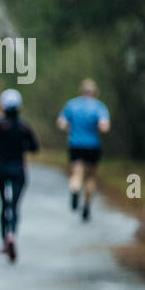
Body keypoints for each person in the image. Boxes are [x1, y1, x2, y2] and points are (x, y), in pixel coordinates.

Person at [0, 89, 39, 263]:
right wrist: (23, 147)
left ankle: (4, 240)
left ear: (2, 106)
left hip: (0, 168)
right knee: (14, 205)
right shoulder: (23, 126)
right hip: (18, 169)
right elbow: (35, 147)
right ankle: (12, 234)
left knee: (3, 204)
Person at [57, 78, 111, 222]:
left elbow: (61, 123)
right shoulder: (99, 107)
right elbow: (104, 126)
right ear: (95, 93)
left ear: (81, 91)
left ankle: (74, 189)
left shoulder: (72, 105)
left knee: (76, 172)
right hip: (93, 145)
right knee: (91, 177)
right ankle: (86, 206)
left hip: (75, 144)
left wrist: (70, 128)